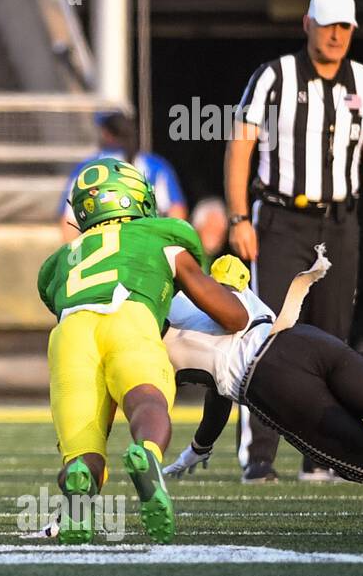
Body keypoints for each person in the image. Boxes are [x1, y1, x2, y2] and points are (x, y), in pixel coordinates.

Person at [226, 0, 363, 483]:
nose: (336, 35)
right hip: (281, 219)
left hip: (341, 222)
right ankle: (258, 459)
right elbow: (241, 147)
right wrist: (239, 218)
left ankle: (322, 455)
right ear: (307, 24)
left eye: (345, 26)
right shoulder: (274, 77)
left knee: (332, 340)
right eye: (328, 25)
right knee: (269, 335)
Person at [36, 157, 248, 543]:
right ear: (137, 199)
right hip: (128, 317)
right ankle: (147, 453)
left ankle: (80, 491)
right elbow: (231, 316)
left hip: (69, 334)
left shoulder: (59, 261)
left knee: (82, 447)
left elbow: (62, 303)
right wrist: (232, 292)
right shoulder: (162, 234)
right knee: (147, 400)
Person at [161, 255, 363, 499]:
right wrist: (200, 445)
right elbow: (217, 384)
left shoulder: (153, 324)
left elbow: (235, 323)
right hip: (307, 340)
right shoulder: (201, 287)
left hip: (272, 379)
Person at [57, 111, 187, 241]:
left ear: (105, 133)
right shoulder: (154, 165)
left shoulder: (88, 169)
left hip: (99, 248)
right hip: (146, 245)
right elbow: (176, 211)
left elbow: (69, 220)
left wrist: (76, 256)